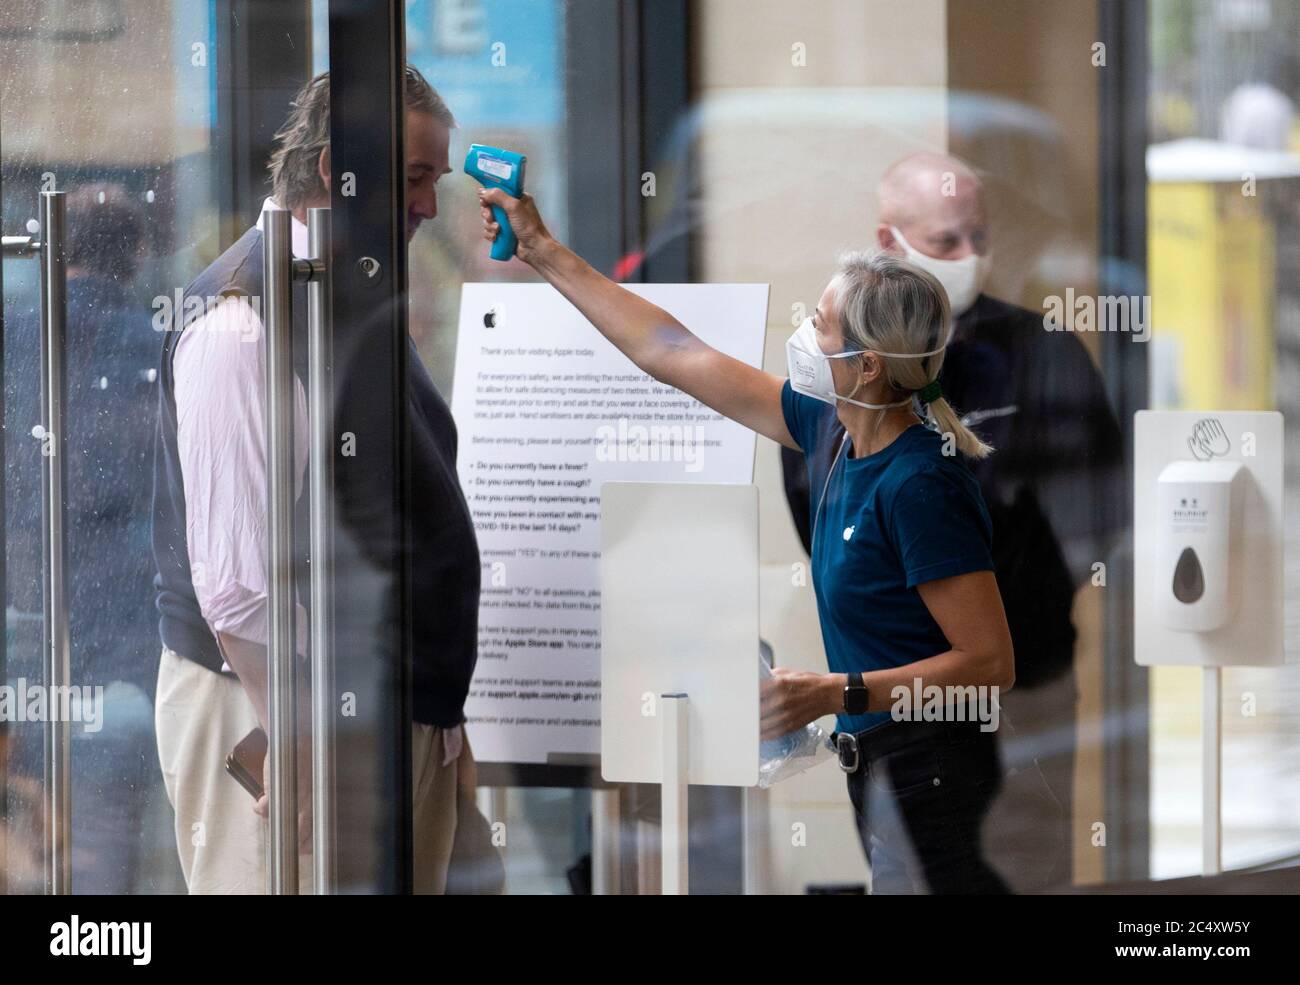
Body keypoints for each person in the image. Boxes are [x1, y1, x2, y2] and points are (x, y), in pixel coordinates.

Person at [477, 186, 1016, 894]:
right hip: (881, 767)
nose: (804, 335)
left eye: (819, 325)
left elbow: (989, 661)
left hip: (933, 777)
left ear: (869, 365)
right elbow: (670, 349)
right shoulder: (832, 433)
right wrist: (540, 248)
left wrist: (834, 690)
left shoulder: (919, 483)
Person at [151, 66, 480, 894]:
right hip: (281, 712)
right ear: (339, 169)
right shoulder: (241, 321)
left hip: (370, 710)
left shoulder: (348, 289)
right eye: (413, 178)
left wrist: (440, 716)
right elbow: (235, 584)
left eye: (434, 181)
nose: (428, 206)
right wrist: (297, 737)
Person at [873, 152, 1123, 889]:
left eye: (979, 238)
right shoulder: (858, 365)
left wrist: (1003, 603)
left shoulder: (1041, 351)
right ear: (890, 242)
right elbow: (821, 502)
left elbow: (1098, 514)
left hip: (1028, 676)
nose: (971, 258)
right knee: (914, 870)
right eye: (947, 241)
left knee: (1029, 866)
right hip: (902, 686)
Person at [4, 183, 163, 892]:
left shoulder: (16, 340)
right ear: (138, 254)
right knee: (102, 840)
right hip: (133, 646)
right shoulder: (162, 345)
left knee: (32, 837)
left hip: (30, 641)